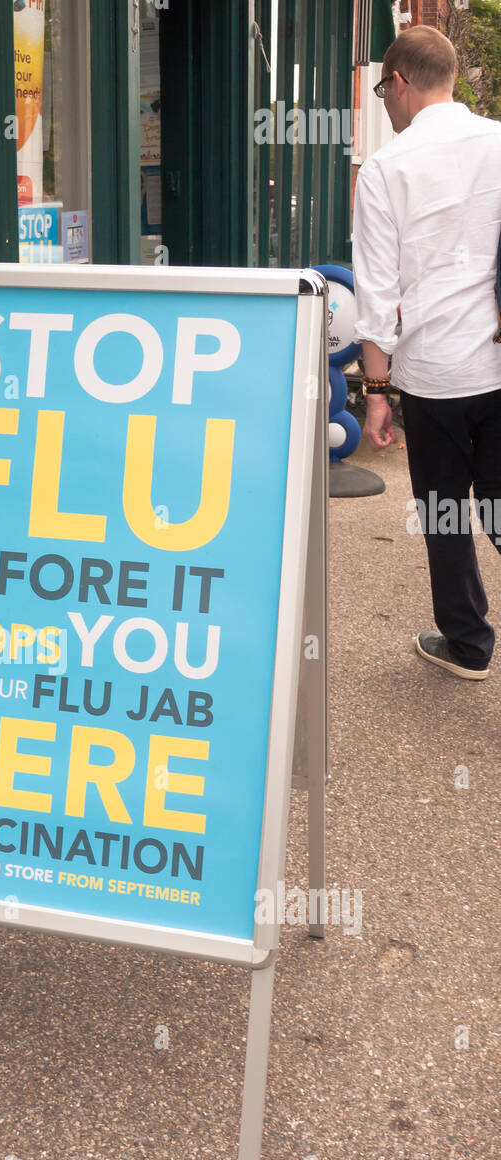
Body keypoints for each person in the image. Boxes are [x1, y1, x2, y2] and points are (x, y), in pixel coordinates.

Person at [353, 25, 501, 680]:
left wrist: (375, 394)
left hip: (434, 375)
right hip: (496, 367)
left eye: (384, 88)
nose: (385, 100)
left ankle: (467, 645)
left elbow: (376, 294)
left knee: (443, 514)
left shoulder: (386, 168)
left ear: (401, 83)